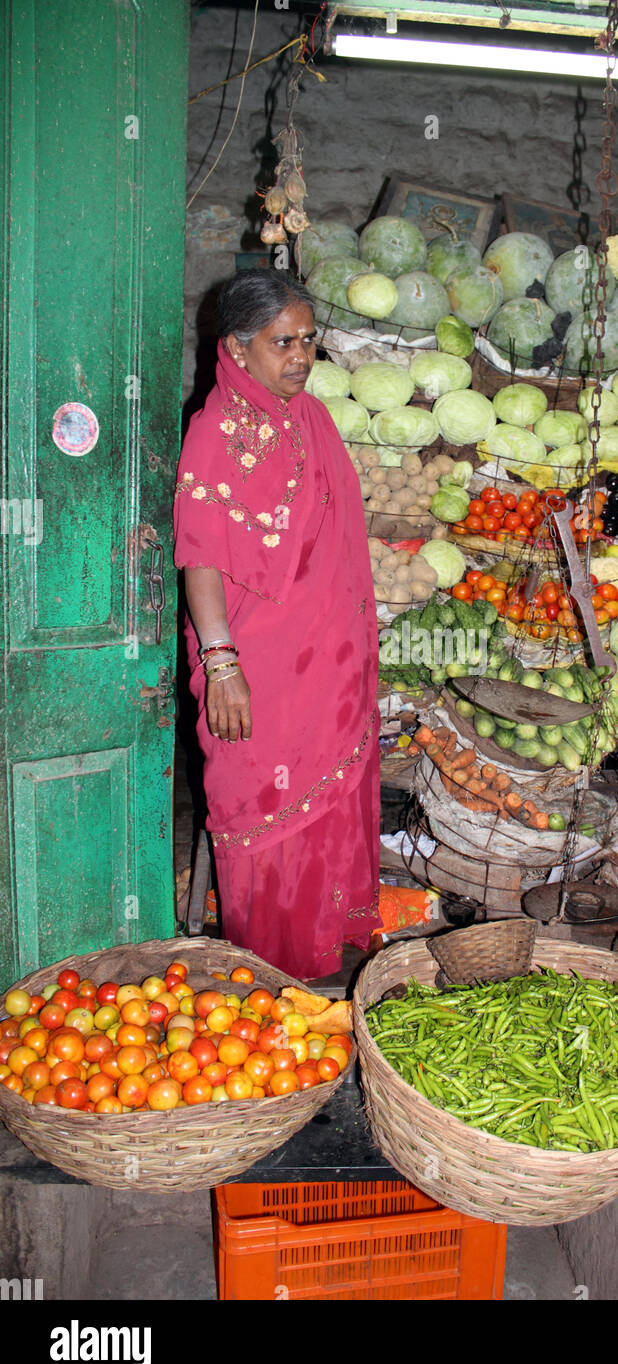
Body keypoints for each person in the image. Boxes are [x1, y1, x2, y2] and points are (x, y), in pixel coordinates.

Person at [173, 269, 382, 980]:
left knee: (326, 814)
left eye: (308, 341)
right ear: (237, 347)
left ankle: (323, 960)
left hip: (325, 667)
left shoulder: (313, 420)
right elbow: (199, 557)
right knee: (260, 812)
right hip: (254, 663)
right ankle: (267, 972)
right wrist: (223, 664)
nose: (299, 357)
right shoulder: (214, 434)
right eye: (280, 342)